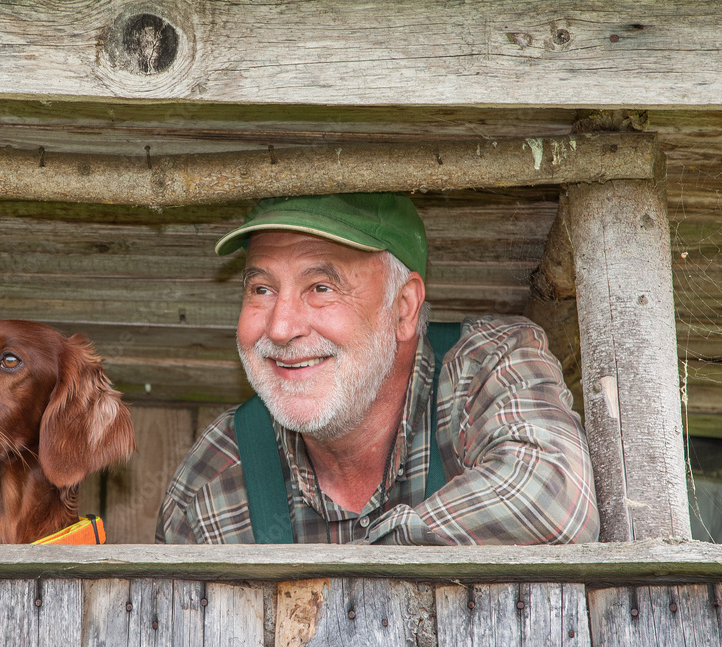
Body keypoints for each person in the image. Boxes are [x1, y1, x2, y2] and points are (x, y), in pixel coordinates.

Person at [155, 192, 599, 545]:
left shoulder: (486, 368)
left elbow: (555, 503)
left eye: (321, 287)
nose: (281, 327)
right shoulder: (216, 475)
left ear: (404, 308)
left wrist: (364, 568)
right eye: (262, 288)